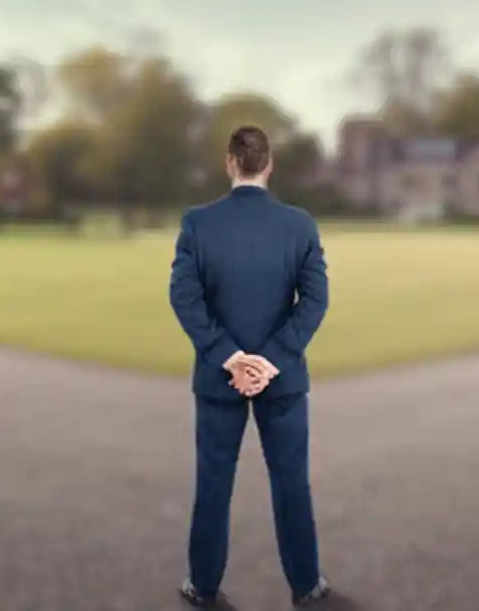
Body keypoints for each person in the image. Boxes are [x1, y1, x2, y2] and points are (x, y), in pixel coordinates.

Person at [169, 125, 332, 607]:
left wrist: (230, 358)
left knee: (214, 485)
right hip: (282, 383)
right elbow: (316, 300)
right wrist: (273, 360)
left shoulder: (198, 222)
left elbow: (184, 295)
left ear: (229, 163)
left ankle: (202, 586)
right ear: (269, 164)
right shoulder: (299, 224)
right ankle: (307, 586)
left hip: (220, 381)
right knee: (291, 486)